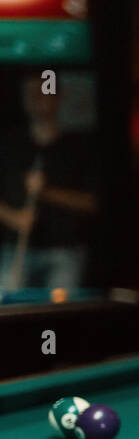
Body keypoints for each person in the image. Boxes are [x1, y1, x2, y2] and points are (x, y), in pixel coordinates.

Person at [0, 76, 98, 291]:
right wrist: (14, 218)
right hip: (15, 251)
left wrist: (47, 193)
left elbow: (94, 203)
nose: (36, 97)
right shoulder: (8, 145)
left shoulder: (79, 148)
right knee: (11, 318)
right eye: (29, 91)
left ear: (57, 96)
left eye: (43, 90)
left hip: (65, 253)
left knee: (59, 320)